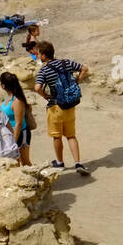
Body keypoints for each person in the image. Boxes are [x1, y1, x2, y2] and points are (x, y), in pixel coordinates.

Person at [34, 42, 89, 174]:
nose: (37, 56)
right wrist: (77, 82)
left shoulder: (44, 70)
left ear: (43, 55)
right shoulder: (65, 62)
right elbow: (84, 68)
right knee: (71, 135)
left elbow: (37, 88)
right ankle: (78, 163)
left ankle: (60, 163)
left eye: (38, 54)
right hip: (70, 105)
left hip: (56, 106)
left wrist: (46, 96)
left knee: (57, 136)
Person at [0, 72, 34, 166]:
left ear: (3, 85)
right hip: (9, 134)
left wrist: (13, 142)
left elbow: (19, 123)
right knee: (15, 162)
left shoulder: (17, 101)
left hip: (20, 134)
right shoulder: (6, 99)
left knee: (25, 161)